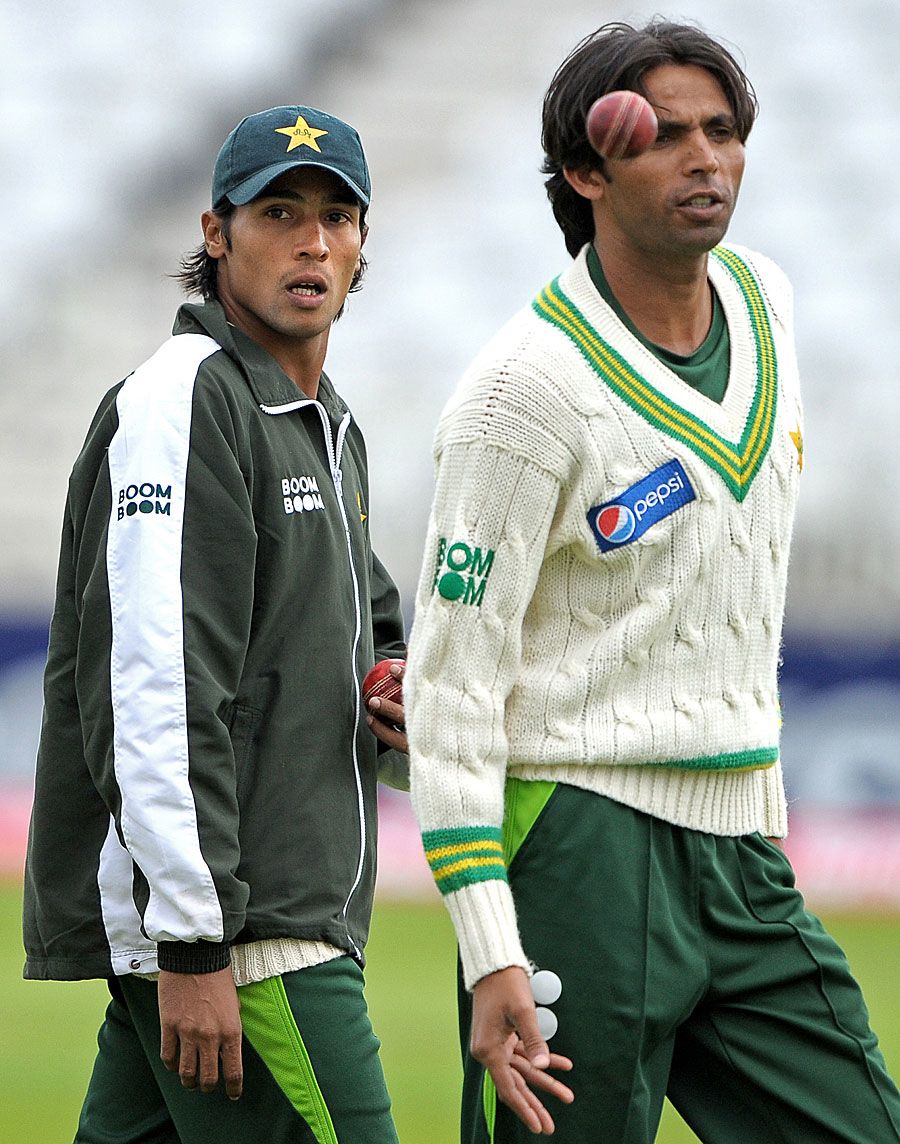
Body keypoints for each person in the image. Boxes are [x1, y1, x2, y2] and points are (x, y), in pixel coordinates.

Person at [404, 20, 900, 1143]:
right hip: (579, 849)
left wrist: (758, 816)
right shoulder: (520, 392)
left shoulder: (766, 301)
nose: (705, 160)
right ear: (586, 171)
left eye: (722, 132)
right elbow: (452, 685)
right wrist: (493, 948)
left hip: (738, 851)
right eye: (664, 136)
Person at [23, 104, 409, 1144]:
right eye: (278, 210)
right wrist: (194, 942)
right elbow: (150, 681)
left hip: (254, 918)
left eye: (338, 215)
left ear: (364, 242)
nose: (312, 238)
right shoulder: (184, 400)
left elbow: (363, 629)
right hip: (249, 936)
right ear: (214, 231)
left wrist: (395, 689)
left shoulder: (324, 424)